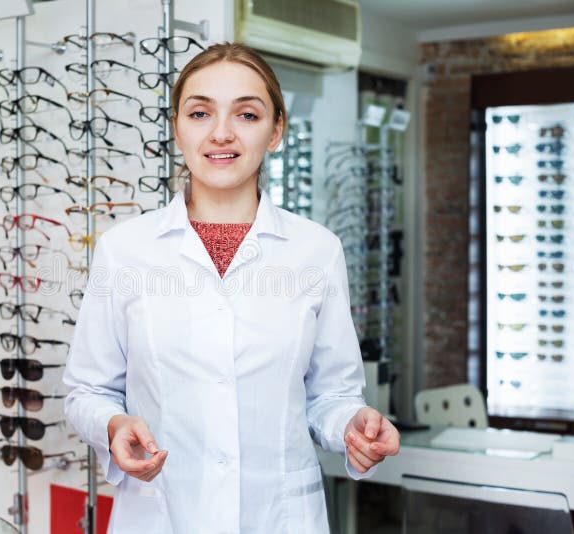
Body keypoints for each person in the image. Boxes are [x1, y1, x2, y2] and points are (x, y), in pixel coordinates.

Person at [63, 42, 400, 534]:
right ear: (177, 128)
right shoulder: (125, 251)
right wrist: (113, 425)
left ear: (277, 130)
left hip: (279, 517)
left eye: (246, 114)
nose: (221, 133)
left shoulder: (315, 251)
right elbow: (87, 390)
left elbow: (331, 394)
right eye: (200, 113)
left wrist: (352, 425)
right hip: (161, 515)